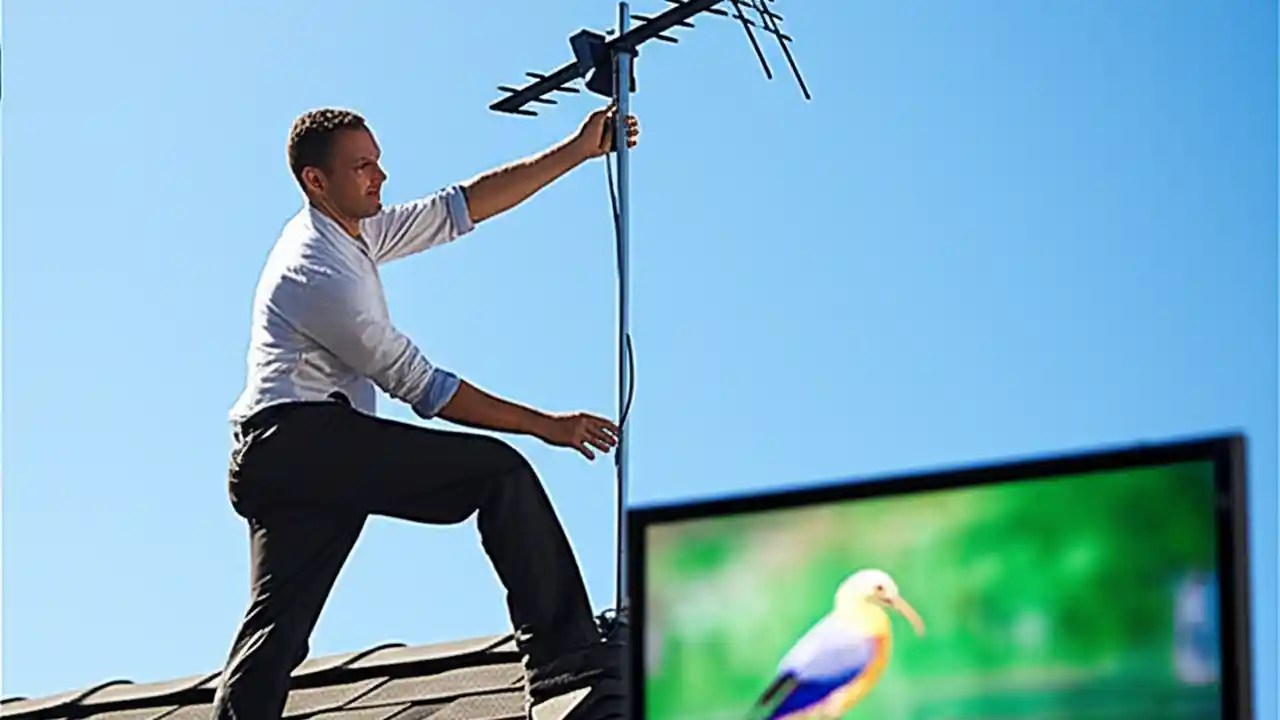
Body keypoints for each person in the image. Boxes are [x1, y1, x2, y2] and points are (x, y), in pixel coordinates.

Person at [211, 102, 640, 719]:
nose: (379, 176)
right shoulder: (317, 273)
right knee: (498, 474)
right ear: (316, 180)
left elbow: (460, 207)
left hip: (279, 457)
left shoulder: (350, 231)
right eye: (362, 167)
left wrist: (574, 151)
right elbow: (426, 387)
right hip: (301, 442)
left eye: (377, 162)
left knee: (274, 636)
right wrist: (550, 427)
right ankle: (563, 657)